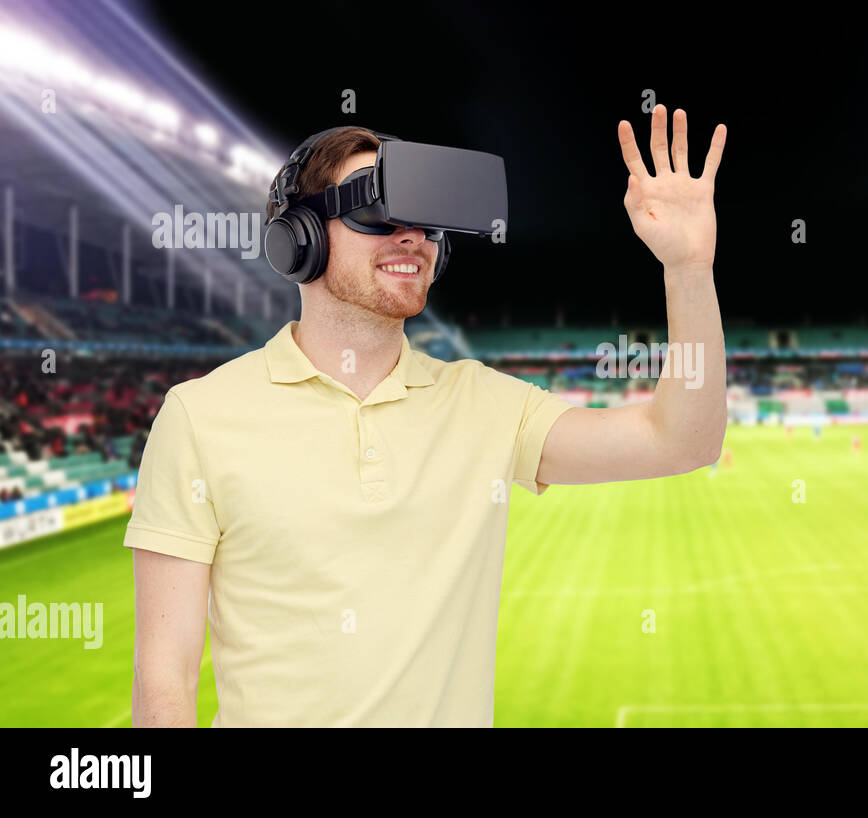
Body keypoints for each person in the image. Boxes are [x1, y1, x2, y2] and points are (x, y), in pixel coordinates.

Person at [124, 112, 729, 728]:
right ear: (299, 237)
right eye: (380, 211)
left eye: (429, 221)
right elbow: (164, 681)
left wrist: (687, 271)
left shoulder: (487, 405)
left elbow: (680, 441)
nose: (411, 236)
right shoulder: (200, 416)